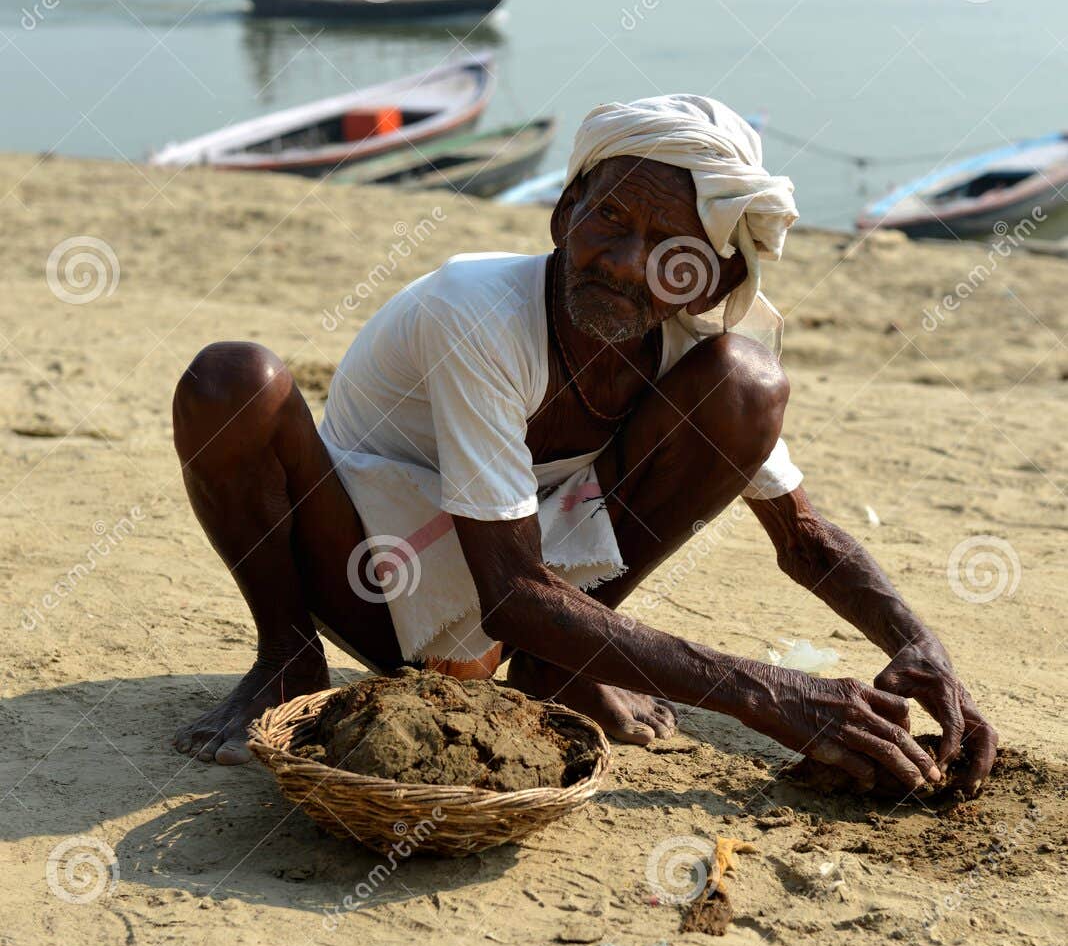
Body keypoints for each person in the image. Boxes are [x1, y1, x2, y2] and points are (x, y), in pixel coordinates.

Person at [171, 94, 997, 794]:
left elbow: (806, 539)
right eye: (609, 218)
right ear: (566, 214)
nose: (628, 264)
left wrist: (916, 642)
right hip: (367, 575)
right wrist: (768, 695)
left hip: (518, 603)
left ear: (714, 277)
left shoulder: (689, 347)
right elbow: (512, 592)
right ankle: (285, 655)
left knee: (748, 387)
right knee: (232, 379)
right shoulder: (477, 311)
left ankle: (559, 665)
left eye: (672, 249)